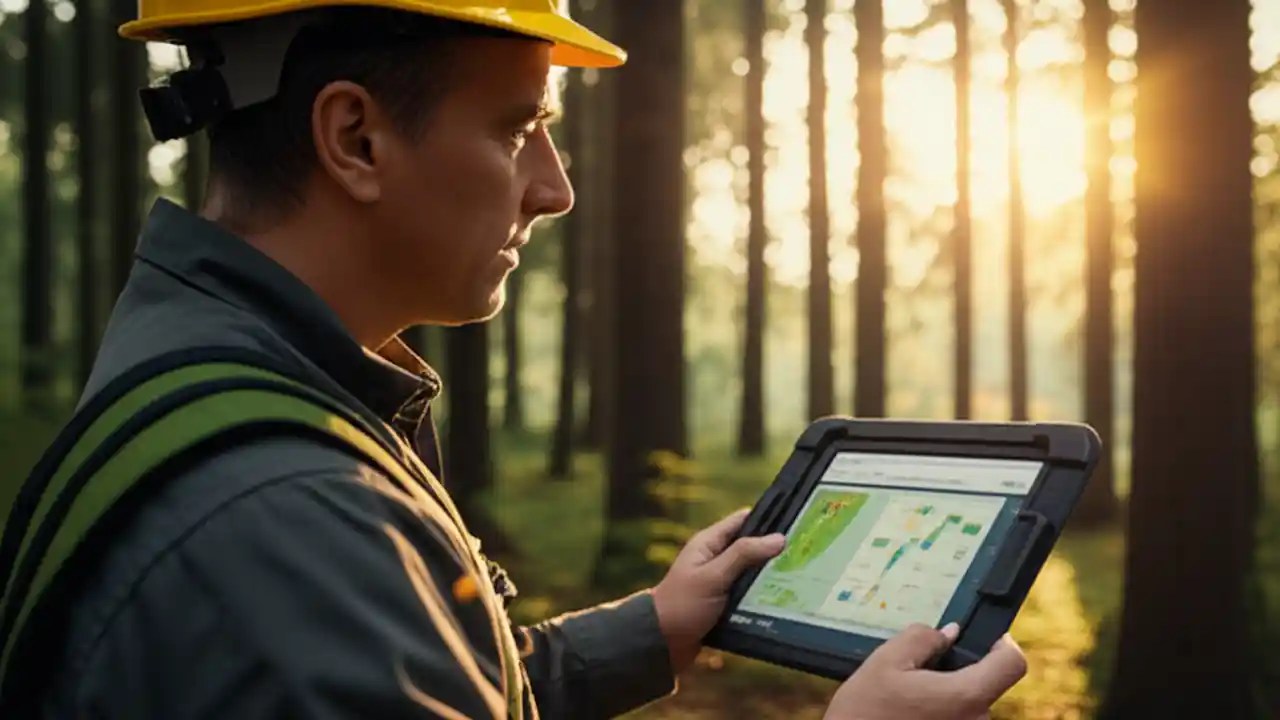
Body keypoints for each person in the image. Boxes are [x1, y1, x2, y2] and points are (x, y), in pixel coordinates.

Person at [26, 2, 1027, 717]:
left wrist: (654, 627)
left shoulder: (222, 368)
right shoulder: (289, 518)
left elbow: (434, 678)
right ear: (355, 139)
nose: (554, 190)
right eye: (519, 130)